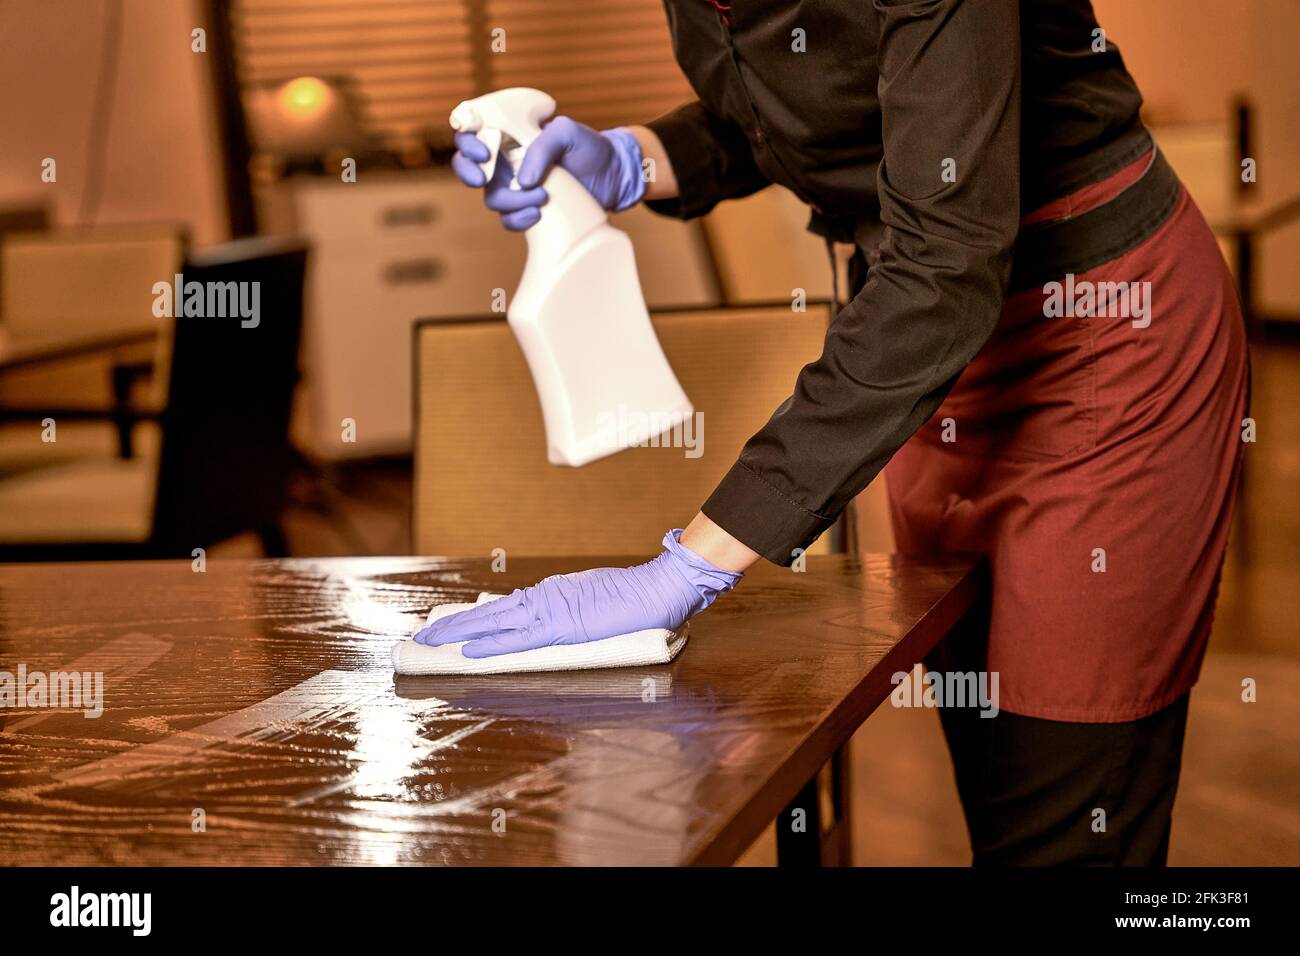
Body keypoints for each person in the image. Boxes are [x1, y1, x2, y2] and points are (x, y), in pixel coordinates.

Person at [419, 0, 1248, 866]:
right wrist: (632, 161)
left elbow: (945, 263)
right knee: (994, 740)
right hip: (926, 368)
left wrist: (687, 567)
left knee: (1066, 807)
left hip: (1095, 343)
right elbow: (817, 103)